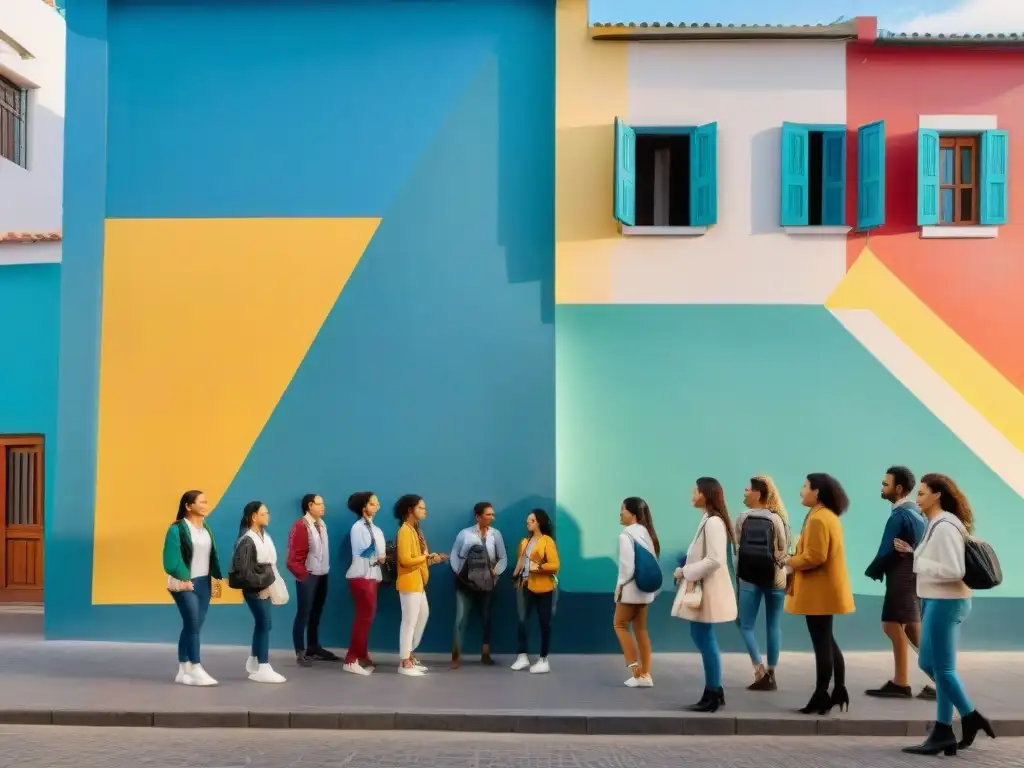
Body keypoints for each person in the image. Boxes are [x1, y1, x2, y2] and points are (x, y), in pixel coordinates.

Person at [900, 474, 995, 756]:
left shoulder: (945, 526)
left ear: (937, 495)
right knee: (940, 669)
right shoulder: (938, 524)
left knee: (934, 665)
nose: (916, 498)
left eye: (921, 493)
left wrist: (917, 559)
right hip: (937, 600)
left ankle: (969, 714)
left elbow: (955, 570)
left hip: (946, 602)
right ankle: (943, 731)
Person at [785, 473, 855, 715]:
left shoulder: (818, 519)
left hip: (818, 591)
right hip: (826, 589)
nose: (801, 491)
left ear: (817, 492)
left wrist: (789, 561)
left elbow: (815, 556)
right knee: (828, 639)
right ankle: (838, 690)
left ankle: (821, 694)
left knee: (822, 643)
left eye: (805, 486)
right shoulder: (828, 516)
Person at [864, 467, 934, 700]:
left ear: (899, 488)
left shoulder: (900, 515)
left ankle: (909, 682)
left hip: (901, 578)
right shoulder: (917, 513)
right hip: (911, 577)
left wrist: (873, 569)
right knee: (909, 629)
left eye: (886, 484)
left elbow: (886, 549)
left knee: (895, 626)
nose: (882, 488)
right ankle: (923, 681)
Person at [672, 477, 737, 712]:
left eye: (695, 491)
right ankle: (714, 690)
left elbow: (714, 560)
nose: (692, 495)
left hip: (707, 588)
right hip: (703, 588)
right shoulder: (709, 520)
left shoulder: (713, 523)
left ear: (705, 494)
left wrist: (684, 572)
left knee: (704, 638)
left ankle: (713, 691)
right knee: (702, 636)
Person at [734, 475, 790, 691]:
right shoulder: (777, 518)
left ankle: (759, 669)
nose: (745, 492)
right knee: (773, 624)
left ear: (759, 493)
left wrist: (738, 576)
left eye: (748, 489)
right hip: (775, 577)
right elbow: (783, 551)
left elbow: (737, 550)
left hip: (748, 577)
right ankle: (772, 674)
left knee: (745, 624)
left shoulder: (742, 518)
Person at [163, 490, 224, 686]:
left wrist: (216, 577)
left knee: (193, 625)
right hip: (185, 583)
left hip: (203, 583)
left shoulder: (207, 529)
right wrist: (184, 578)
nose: (206, 505)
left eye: (207, 501)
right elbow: (171, 561)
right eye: (201, 502)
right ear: (188, 506)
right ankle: (196, 667)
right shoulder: (177, 529)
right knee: (193, 623)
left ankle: (183, 669)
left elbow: (210, 556)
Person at [231, 501, 288, 683]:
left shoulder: (264, 535)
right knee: (264, 623)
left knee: (264, 623)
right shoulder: (247, 540)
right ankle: (263, 665)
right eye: (264, 513)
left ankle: (255, 661)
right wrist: (261, 582)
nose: (268, 516)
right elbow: (244, 571)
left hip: (266, 584)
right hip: (257, 588)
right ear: (254, 517)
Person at [449, 501, 508, 669]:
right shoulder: (465, 534)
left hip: (487, 584)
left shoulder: (495, 535)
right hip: (465, 584)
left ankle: (485, 653)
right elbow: (454, 555)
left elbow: (502, 557)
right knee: (460, 619)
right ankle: (455, 655)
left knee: (487, 617)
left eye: (493, 514)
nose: (492, 517)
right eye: (488, 514)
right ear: (478, 516)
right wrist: (460, 574)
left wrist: (495, 573)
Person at [395, 494, 447, 677]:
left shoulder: (416, 531)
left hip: (418, 583)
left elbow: (418, 560)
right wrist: (426, 557)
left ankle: (409, 653)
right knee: (409, 622)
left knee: (422, 615)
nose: (425, 511)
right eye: (421, 508)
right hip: (409, 582)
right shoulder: (405, 531)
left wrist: (433, 559)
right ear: (410, 510)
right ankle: (404, 662)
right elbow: (405, 560)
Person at [286, 493, 338, 668]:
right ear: (310, 506)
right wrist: (304, 575)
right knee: (304, 613)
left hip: (322, 574)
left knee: (316, 612)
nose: (323, 506)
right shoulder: (301, 526)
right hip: (309, 575)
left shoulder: (322, 524)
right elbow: (292, 558)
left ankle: (313, 647)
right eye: (319, 504)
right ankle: (300, 651)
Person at [613, 497, 661, 688]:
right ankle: (646, 674)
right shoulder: (646, 533)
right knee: (641, 630)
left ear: (632, 514)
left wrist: (619, 588)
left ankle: (635, 671)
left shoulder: (626, 536)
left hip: (630, 590)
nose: (620, 513)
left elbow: (627, 569)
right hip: (646, 591)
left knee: (620, 625)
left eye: (623, 509)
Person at [511, 508, 560, 674]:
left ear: (539, 522)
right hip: (525, 587)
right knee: (522, 621)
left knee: (544, 623)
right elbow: (520, 560)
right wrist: (514, 575)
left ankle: (543, 659)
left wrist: (537, 567)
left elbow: (555, 565)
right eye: (527, 521)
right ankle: (522, 656)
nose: (528, 523)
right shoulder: (524, 542)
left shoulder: (547, 541)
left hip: (544, 588)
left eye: (531, 520)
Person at [344, 491, 387, 676]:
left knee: (366, 618)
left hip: (372, 577)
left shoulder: (376, 529)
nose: (377, 506)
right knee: (363, 618)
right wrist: (380, 557)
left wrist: (382, 557)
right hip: (361, 577)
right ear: (364, 508)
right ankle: (350, 659)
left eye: (377, 503)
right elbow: (365, 554)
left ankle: (361, 654)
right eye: (373, 504)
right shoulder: (358, 528)